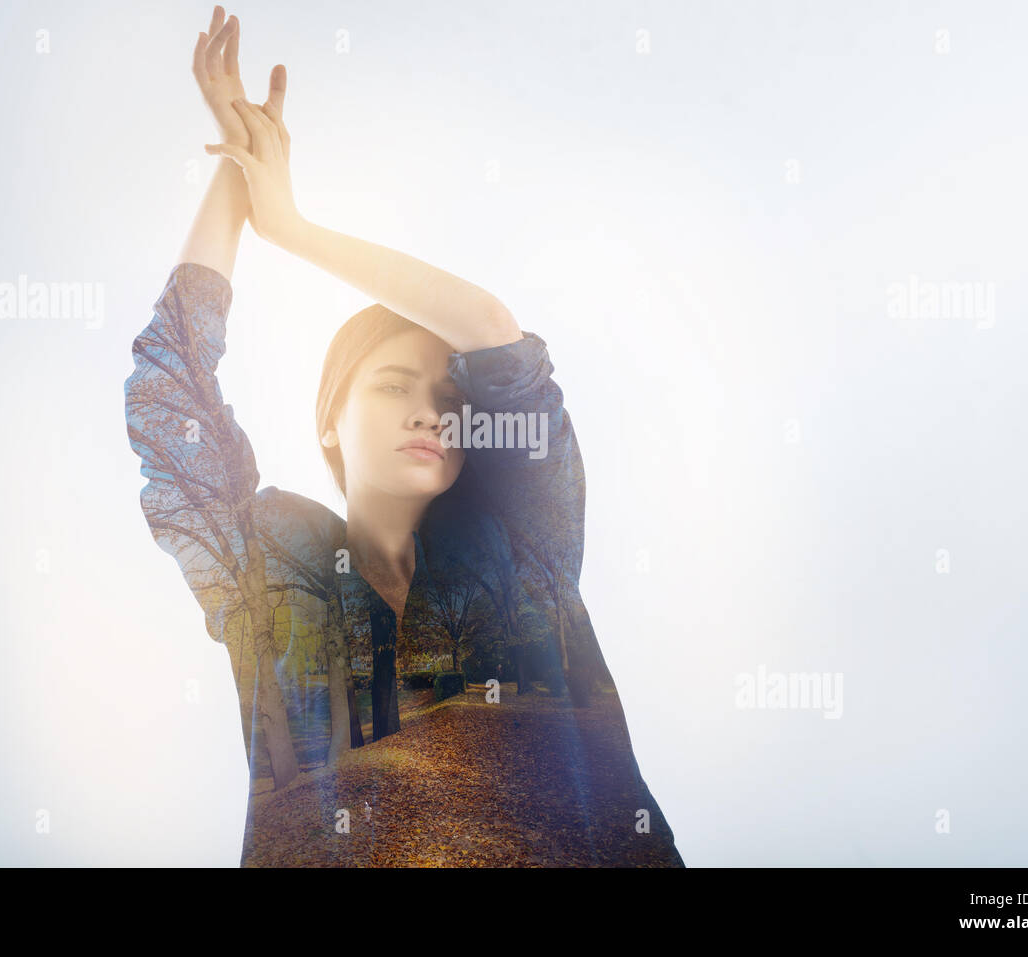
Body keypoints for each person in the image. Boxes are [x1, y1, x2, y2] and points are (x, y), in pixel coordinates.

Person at [124, 6, 683, 866]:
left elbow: (497, 335)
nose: (431, 410)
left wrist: (293, 229)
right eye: (392, 385)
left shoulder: (524, 540)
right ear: (328, 419)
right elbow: (172, 393)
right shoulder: (263, 573)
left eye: (447, 397)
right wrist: (243, 167)